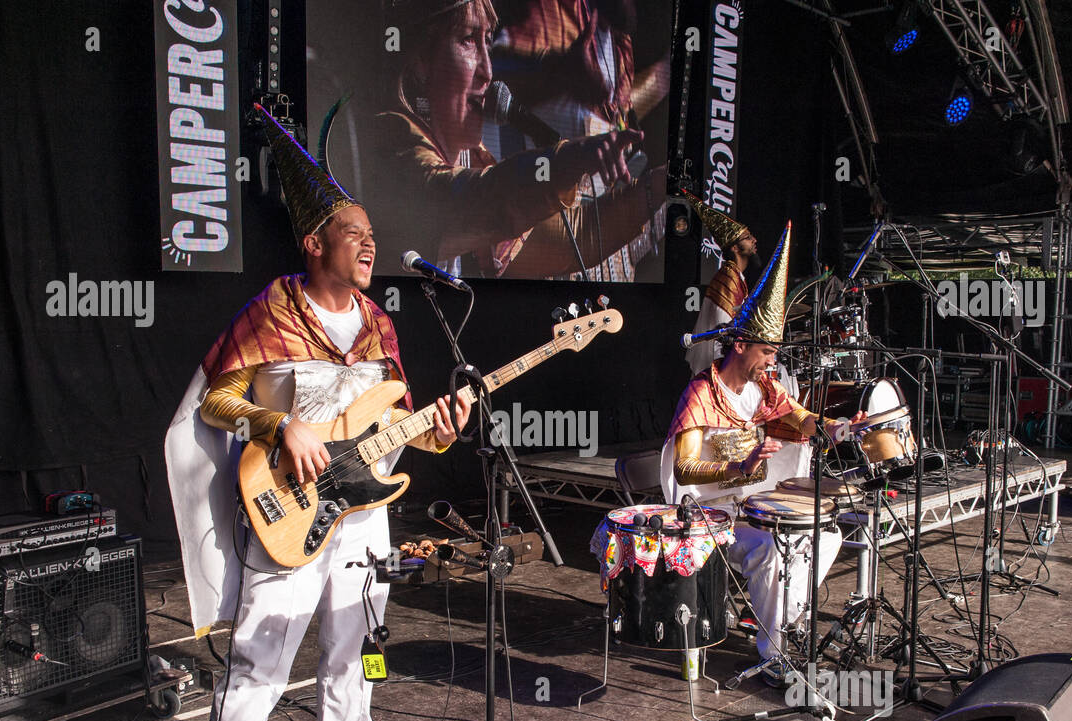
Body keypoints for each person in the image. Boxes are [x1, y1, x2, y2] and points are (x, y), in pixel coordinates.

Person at [164, 104, 470, 721]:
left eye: (370, 235)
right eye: (353, 233)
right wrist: (276, 426)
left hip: (363, 514)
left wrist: (444, 426)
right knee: (259, 666)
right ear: (314, 243)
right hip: (290, 513)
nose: (368, 244)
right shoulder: (269, 311)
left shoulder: (380, 325)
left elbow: (400, 422)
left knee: (357, 648)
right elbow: (215, 400)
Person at [661, 225, 863, 679]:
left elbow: (799, 419)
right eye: (767, 351)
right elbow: (686, 467)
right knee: (775, 550)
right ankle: (774, 651)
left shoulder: (763, 387)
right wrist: (742, 464)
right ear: (739, 345)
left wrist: (841, 426)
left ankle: (783, 622)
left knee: (827, 534)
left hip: (752, 506)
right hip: (713, 515)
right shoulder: (701, 392)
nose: (773, 361)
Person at [364, 0, 664, 279]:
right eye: (468, 40)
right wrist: (566, 161)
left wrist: (661, 186)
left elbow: (578, 237)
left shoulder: (474, 156)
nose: (488, 71)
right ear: (422, 61)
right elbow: (467, 199)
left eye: (487, 42)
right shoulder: (392, 137)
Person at [681, 191, 811, 491]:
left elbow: (801, 417)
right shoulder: (727, 278)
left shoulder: (738, 277)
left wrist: (839, 428)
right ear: (735, 245)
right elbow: (724, 327)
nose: (754, 241)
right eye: (748, 237)